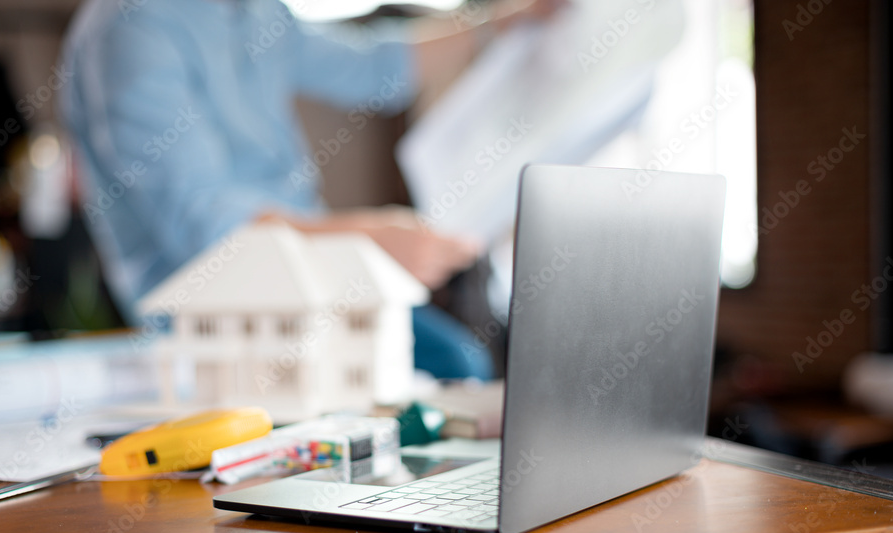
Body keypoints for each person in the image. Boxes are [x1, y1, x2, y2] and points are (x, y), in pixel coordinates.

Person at [61, 0, 550, 380]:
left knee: (462, 364)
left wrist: (500, 23)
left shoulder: (257, 10)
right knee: (454, 368)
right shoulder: (130, 32)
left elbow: (371, 66)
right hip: (209, 324)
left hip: (314, 287)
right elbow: (206, 227)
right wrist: (363, 240)